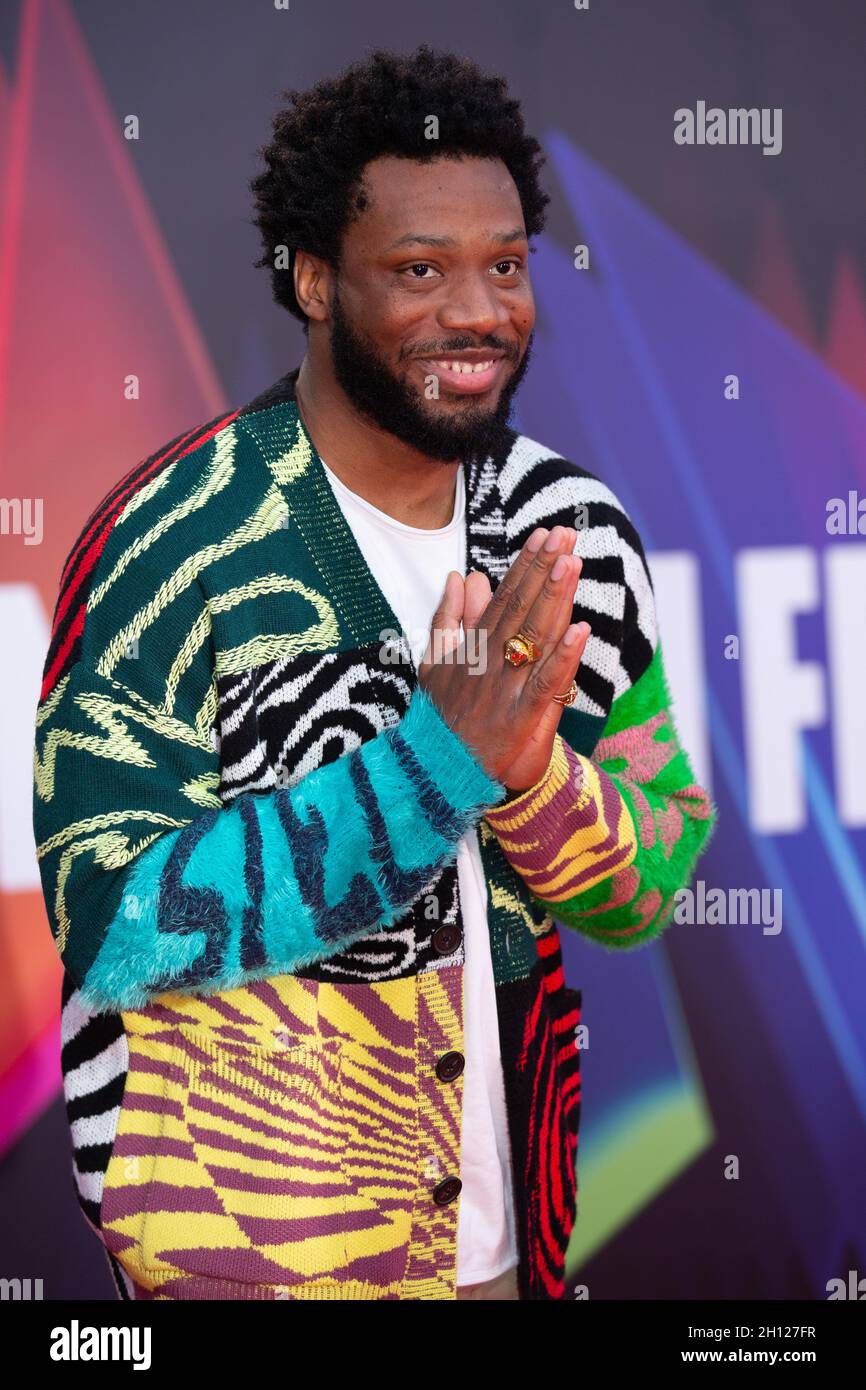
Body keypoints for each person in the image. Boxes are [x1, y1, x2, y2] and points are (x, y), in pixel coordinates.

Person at [32, 44, 716, 1302]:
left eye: (503, 264)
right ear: (309, 280)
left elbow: (652, 872)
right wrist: (429, 766)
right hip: (245, 1264)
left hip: (509, 1254)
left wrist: (526, 779)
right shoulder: (172, 541)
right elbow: (109, 922)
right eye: (418, 270)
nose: (478, 311)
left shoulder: (573, 536)